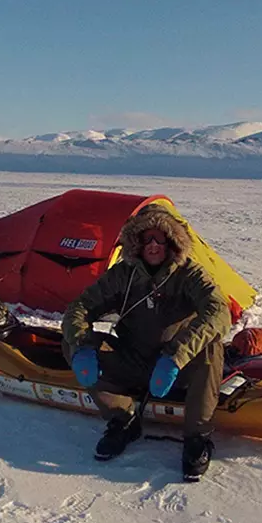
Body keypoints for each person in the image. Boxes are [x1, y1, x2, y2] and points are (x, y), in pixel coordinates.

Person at [61, 204, 231, 481]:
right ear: (135, 243)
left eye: (159, 238)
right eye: (145, 238)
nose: (153, 245)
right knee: (71, 343)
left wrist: (176, 355)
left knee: (211, 346)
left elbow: (218, 312)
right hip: (135, 359)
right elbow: (79, 307)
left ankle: (197, 437)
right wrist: (81, 345)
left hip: (177, 367)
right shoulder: (123, 275)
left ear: (172, 242)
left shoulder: (190, 274)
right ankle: (122, 418)